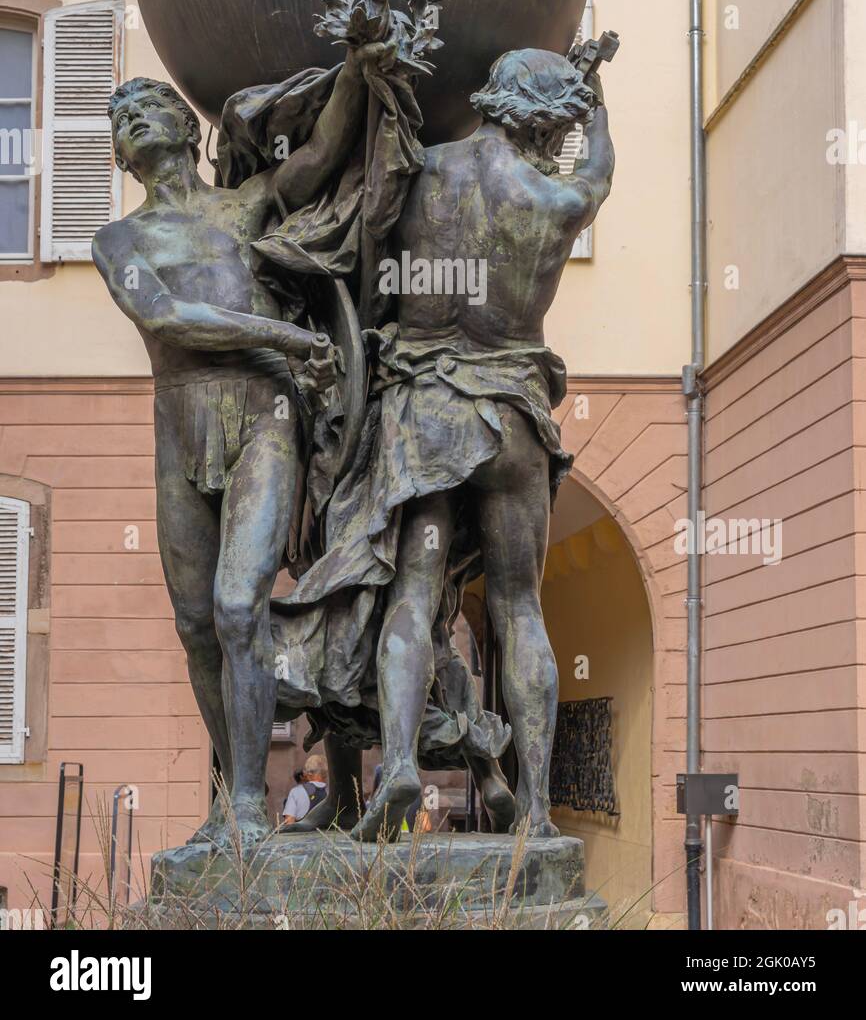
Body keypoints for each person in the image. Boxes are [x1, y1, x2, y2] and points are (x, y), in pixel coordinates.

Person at [272, 51, 614, 840]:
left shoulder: (420, 169)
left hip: (428, 420)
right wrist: (600, 99)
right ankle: (533, 807)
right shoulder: (558, 197)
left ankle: (397, 768)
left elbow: (360, 250)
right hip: (513, 423)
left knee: (413, 592)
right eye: (561, 125)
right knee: (519, 605)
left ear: (493, 99)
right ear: (551, 119)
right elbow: (600, 168)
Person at [92, 47, 383, 848]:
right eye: (121, 118)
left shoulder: (245, 207)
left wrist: (359, 66)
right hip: (180, 419)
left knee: (236, 605)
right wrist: (285, 335)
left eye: (149, 104)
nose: (134, 118)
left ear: (187, 128)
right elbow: (169, 321)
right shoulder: (117, 239)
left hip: (263, 416)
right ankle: (231, 798)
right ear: (120, 154)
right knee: (193, 623)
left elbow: (321, 155)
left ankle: (252, 809)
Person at [282, 755, 328, 825]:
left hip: (303, 834)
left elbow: (289, 821)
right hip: (328, 835)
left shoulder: (296, 792)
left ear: (307, 773)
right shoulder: (332, 793)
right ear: (326, 773)